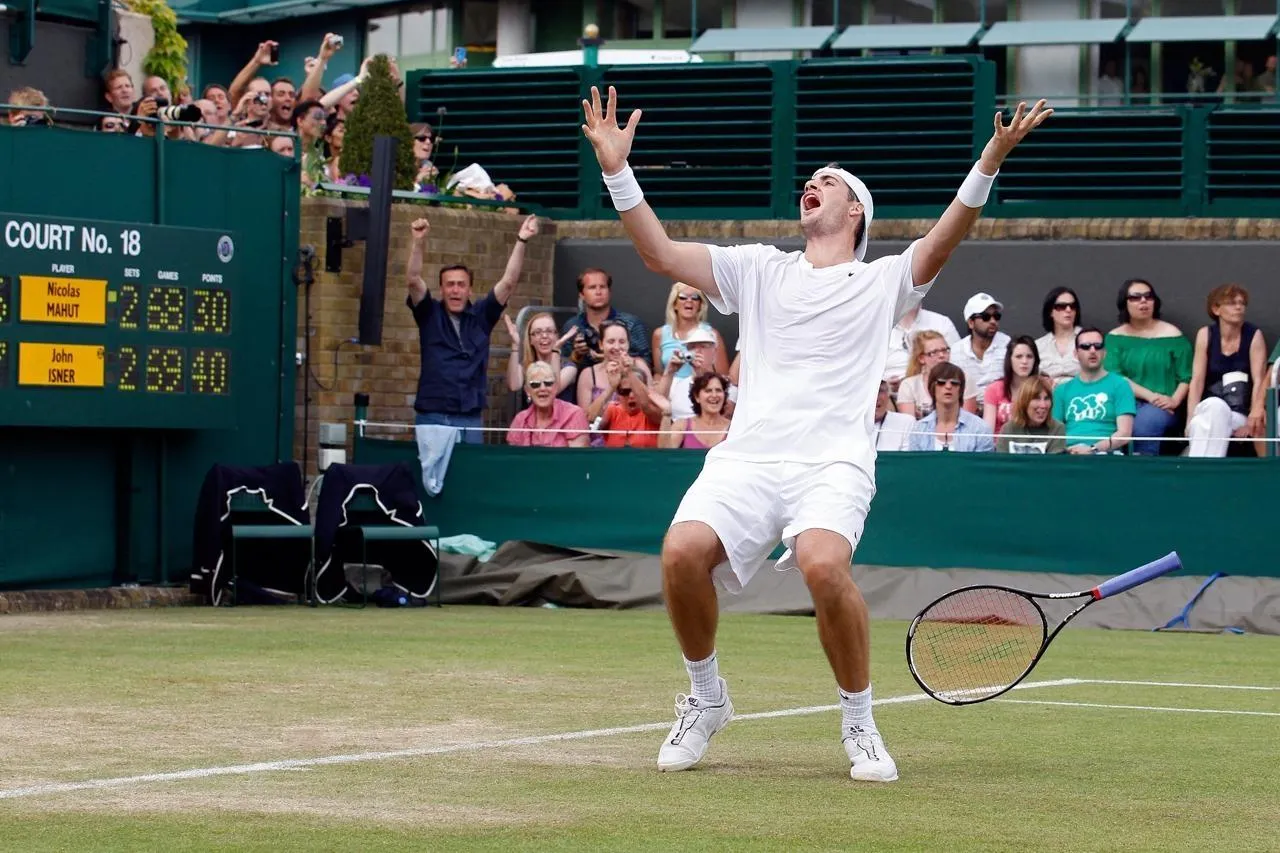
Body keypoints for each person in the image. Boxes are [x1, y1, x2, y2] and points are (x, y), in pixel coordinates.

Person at [580, 84, 1050, 780]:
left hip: (833, 460)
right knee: (680, 553)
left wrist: (991, 157)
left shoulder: (886, 279)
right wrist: (617, 169)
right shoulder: (758, 268)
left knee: (824, 564)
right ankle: (707, 699)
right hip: (751, 456)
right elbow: (659, 255)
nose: (812, 185)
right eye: (808, 181)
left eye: (827, 182)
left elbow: (946, 237)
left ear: (854, 209)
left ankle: (859, 722)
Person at [406, 213, 539, 442]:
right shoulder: (429, 313)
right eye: (450, 285)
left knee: (469, 475)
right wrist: (419, 242)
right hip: (433, 415)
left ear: (469, 290)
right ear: (441, 289)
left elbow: (508, 283)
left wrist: (522, 240)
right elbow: (413, 280)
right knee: (432, 478)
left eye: (461, 285)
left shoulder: (481, 315)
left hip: (469, 417)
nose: (455, 290)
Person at [1105, 278, 1192, 456]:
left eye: (1148, 296)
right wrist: (1151, 396)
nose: (1143, 301)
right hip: (1124, 403)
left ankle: (1141, 469)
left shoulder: (1173, 336)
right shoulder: (1114, 337)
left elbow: (1186, 376)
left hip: (1163, 407)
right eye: (1136, 297)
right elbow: (1115, 376)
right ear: (1125, 303)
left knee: (1145, 423)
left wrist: (1174, 400)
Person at [1184, 284, 1268, 458]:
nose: (1239, 307)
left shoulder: (1253, 336)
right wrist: (1189, 418)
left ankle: (1198, 472)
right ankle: (1207, 472)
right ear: (1216, 309)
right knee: (1209, 413)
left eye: (1242, 303)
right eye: (1231, 303)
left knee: (1205, 422)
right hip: (1208, 409)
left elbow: (1259, 380)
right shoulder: (1205, 334)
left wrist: (1252, 417)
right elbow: (1197, 379)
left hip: (1239, 414)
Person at [1053, 328, 1135, 454]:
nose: (1092, 351)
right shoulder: (1062, 390)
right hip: (1069, 455)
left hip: (1106, 455)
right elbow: (1054, 435)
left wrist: (1093, 449)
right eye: (1085, 347)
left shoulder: (1120, 385)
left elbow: (1124, 434)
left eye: (1098, 346)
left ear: (1105, 352)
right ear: (1076, 353)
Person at [906, 363, 995, 452]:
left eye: (954, 383)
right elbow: (915, 464)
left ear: (961, 389)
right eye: (941, 382)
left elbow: (982, 465)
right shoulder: (919, 429)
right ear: (932, 387)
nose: (948, 386)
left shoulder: (980, 429)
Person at [651, 281, 730, 379]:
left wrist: (704, 368)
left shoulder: (711, 335)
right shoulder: (660, 334)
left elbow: (724, 377)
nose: (689, 301)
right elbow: (659, 374)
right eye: (683, 297)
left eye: (695, 298)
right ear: (674, 303)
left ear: (701, 304)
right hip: (670, 391)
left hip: (701, 390)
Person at [506, 361, 590, 447]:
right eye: (535, 384)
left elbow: (577, 458)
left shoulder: (574, 414)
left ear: (556, 387)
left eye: (548, 383)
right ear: (527, 391)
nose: (542, 388)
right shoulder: (520, 420)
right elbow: (514, 457)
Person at [983, 335, 1040, 435]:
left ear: (1035, 360)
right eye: (1019, 356)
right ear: (1009, 360)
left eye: (1029, 356)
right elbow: (987, 433)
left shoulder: (1042, 389)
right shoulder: (993, 389)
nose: (1024, 361)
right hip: (999, 448)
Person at [997, 375, 1066, 454]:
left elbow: (1054, 464)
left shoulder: (1057, 429)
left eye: (1046, 398)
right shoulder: (1008, 429)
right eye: (1036, 398)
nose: (1043, 405)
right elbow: (1001, 464)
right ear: (1024, 402)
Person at [1035, 286, 1083, 384]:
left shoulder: (1089, 340)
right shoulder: (1038, 346)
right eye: (1061, 306)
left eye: (1072, 306)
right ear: (1050, 312)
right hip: (1047, 396)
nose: (1068, 310)